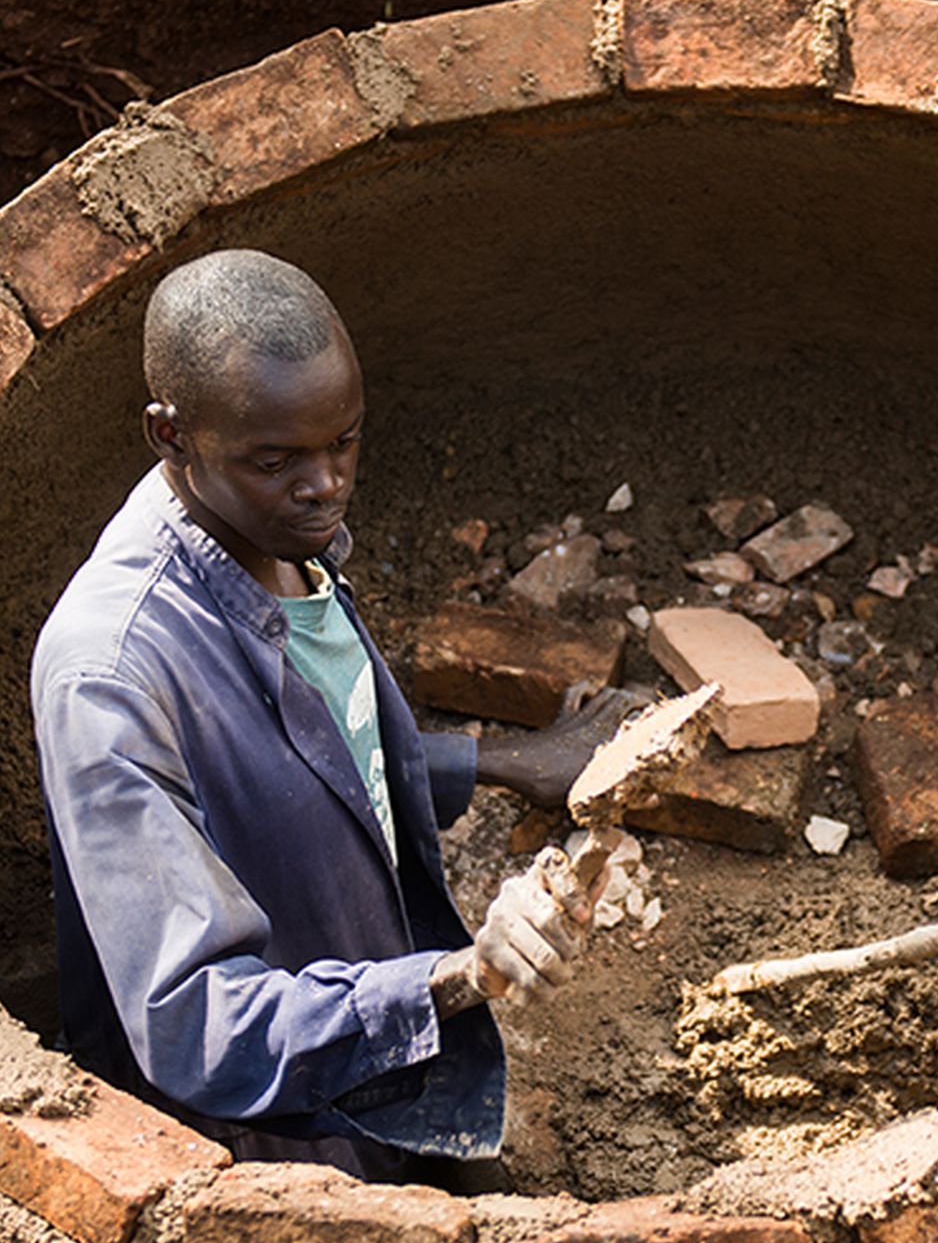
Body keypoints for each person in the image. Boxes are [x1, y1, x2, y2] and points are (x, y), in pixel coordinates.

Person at [31, 248, 624, 1185]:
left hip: (384, 1058)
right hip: (275, 1146)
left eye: (344, 441)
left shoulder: (267, 532)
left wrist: (502, 762)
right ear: (170, 435)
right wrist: (459, 976)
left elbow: (308, 753)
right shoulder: (111, 676)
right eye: (278, 460)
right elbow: (199, 1022)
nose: (325, 484)